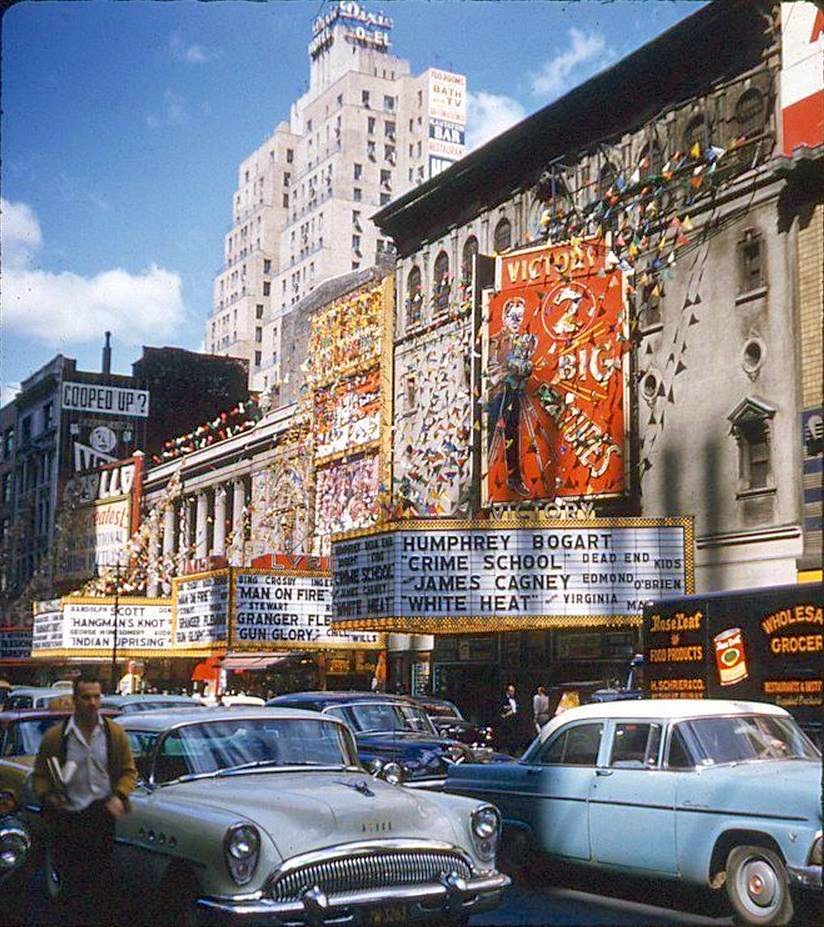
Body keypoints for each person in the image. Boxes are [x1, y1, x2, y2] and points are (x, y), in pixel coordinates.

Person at [33, 673, 137, 926]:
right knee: (71, 887)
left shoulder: (114, 734)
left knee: (101, 886)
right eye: (86, 697)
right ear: (75, 700)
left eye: (97, 697)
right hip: (69, 819)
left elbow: (128, 770)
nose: (92, 703)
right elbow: (41, 775)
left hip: (101, 817)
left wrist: (120, 796)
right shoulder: (57, 738)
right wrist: (49, 796)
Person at [498, 683, 519, 754]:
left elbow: (517, 709)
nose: (513, 692)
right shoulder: (503, 700)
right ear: (507, 692)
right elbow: (501, 712)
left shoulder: (516, 699)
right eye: (511, 691)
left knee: (513, 737)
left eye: (513, 691)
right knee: (506, 737)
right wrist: (507, 714)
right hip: (506, 722)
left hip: (514, 722)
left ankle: (513, 751)